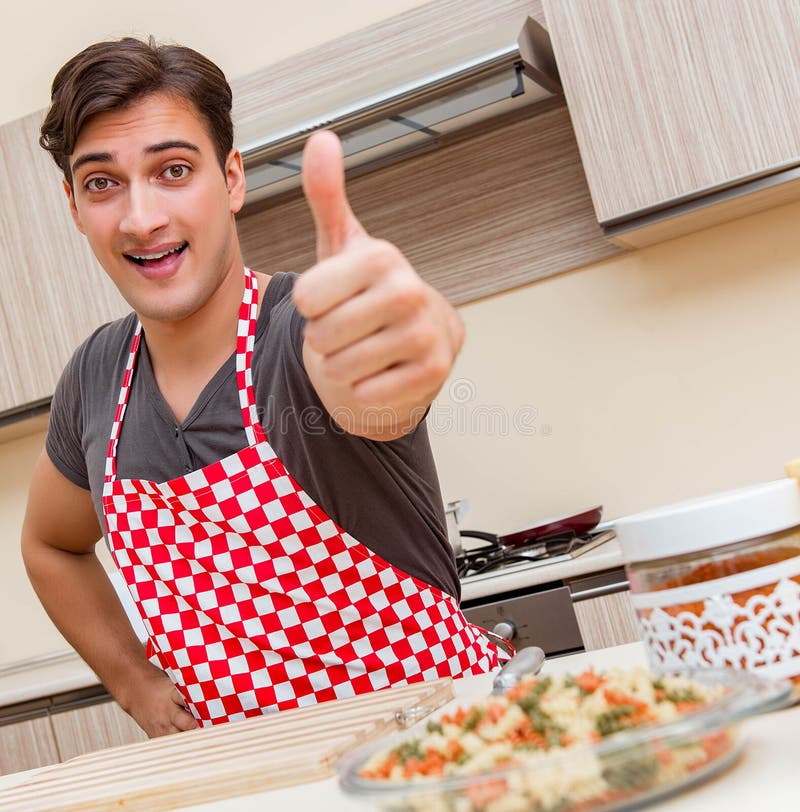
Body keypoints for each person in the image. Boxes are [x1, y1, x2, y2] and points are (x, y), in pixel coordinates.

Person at [21, 37, 504, 737]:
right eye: (102, 183)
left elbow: (373, 387)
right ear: (74, 207)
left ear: (233, 179)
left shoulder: (303, 330)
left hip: (442, 754)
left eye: (174, 169)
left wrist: (409, 342)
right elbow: (50, 545)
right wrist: (135, 683)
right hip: (256, 784)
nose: (141, 217)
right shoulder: (95, 380)